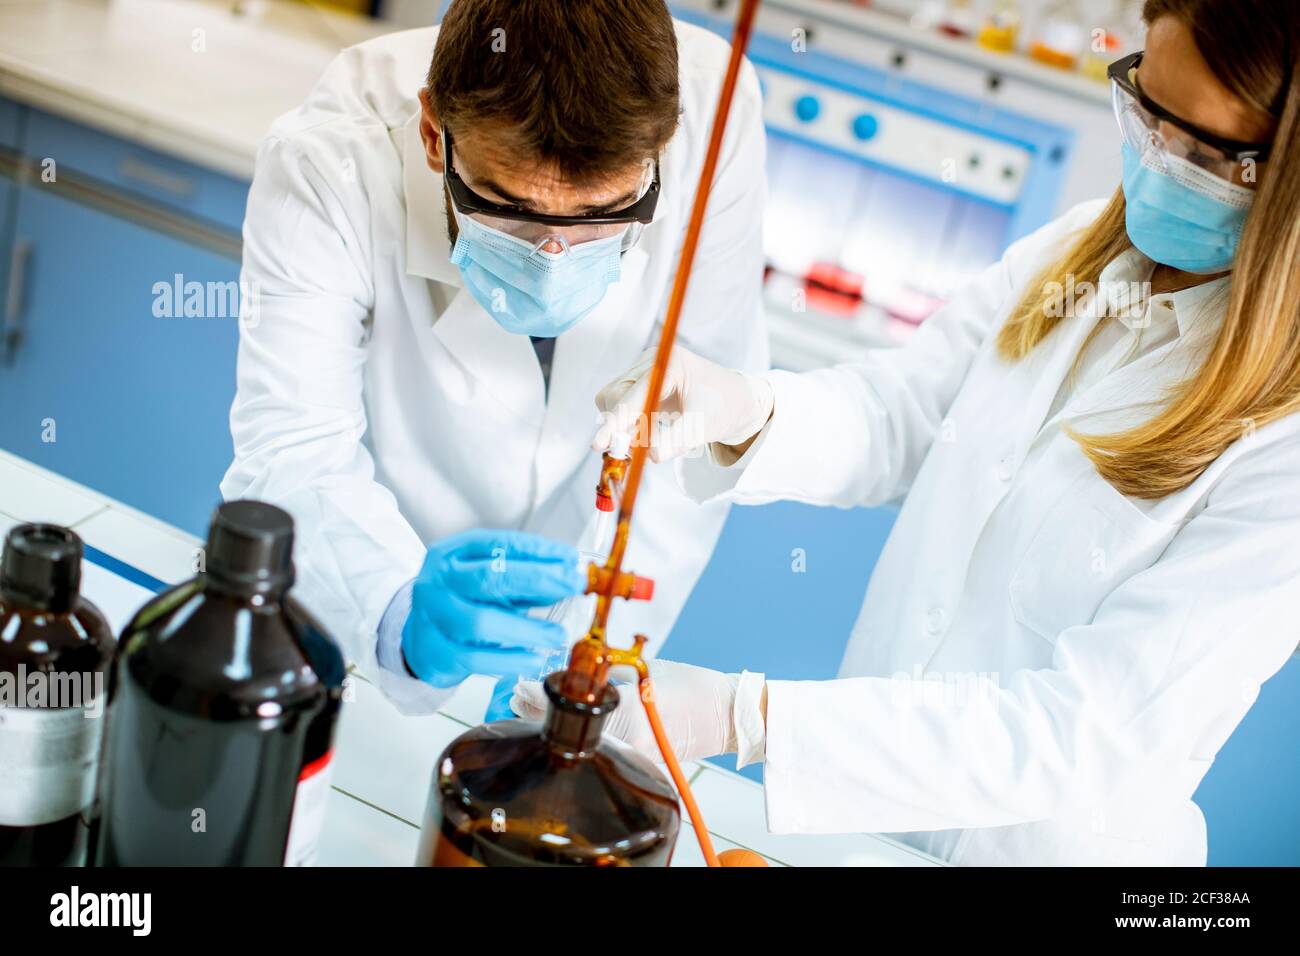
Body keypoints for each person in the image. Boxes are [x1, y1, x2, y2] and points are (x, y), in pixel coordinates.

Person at [517, 0, 1300, 865]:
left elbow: (1086, 730)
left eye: (1194, 152)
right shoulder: (1077, 254)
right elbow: (910, 415)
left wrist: (747, 717)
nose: (1150, 159)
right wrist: (745, 409)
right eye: (1142, 109)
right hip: (876, 833)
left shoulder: (1285, 445)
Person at [221, 0, 767, 718]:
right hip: (383, 564)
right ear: (432, 134)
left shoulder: (713, 113)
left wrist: (583, 661)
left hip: (586, 559)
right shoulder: (332, 160)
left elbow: (696, 426)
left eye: (603, 216)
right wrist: (399, 618)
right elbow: (292, 448)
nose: (553, 260)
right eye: (509, 210)